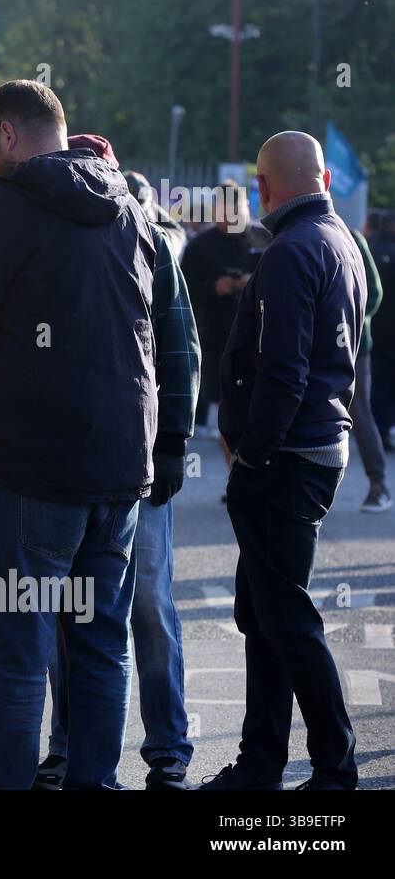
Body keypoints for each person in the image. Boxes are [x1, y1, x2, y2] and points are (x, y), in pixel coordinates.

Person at [0, 80, 157, 790]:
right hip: (117, 470)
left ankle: (2, 785)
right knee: (99, 647)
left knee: (11, 651)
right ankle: (95, 782)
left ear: (8, 136)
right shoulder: (129, 209)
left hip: (23, 470)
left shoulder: (6, 209)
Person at [203, 132, 366, 791]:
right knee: (265, 611)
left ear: (264, 189)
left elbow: (284, 370)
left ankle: (333, 766)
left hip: (288, 454)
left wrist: (251, 455)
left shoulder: (290, 252)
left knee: (286, 617)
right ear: (324, 176)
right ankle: (262, 761)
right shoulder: (338, 241)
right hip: (315, 446)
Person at [38, 134, 201, 791]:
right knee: (79, 614)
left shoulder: (146, 242)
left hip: (131, 465)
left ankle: (165, 751)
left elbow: (180, 351)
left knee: (144, 611)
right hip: (79, 465)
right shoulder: (54, 242)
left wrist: (170, 446)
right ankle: (70, 749)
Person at [180, 180, 271, 438]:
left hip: (259, 332)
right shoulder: (200, 246)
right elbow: (183, 290)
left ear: (245, 207)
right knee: (217, 386)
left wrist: (253, 284)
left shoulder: (265, 239)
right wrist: (214, 288)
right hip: (213, 333)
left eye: (235, 210)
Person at [347, 227, 388, 510]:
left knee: (359, 411)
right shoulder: (291, 233)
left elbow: (373, 292)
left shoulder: (352, 238)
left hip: (354, 344)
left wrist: (346, 321)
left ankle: (379, 484)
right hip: (307, 344)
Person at [369, 209, 395, 450]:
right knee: (383, 383)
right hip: (384, 331)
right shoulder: (380, 249)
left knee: (379, 382)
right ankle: (381, 431)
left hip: (375, 329)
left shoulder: (370, 247)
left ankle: (380, 431)